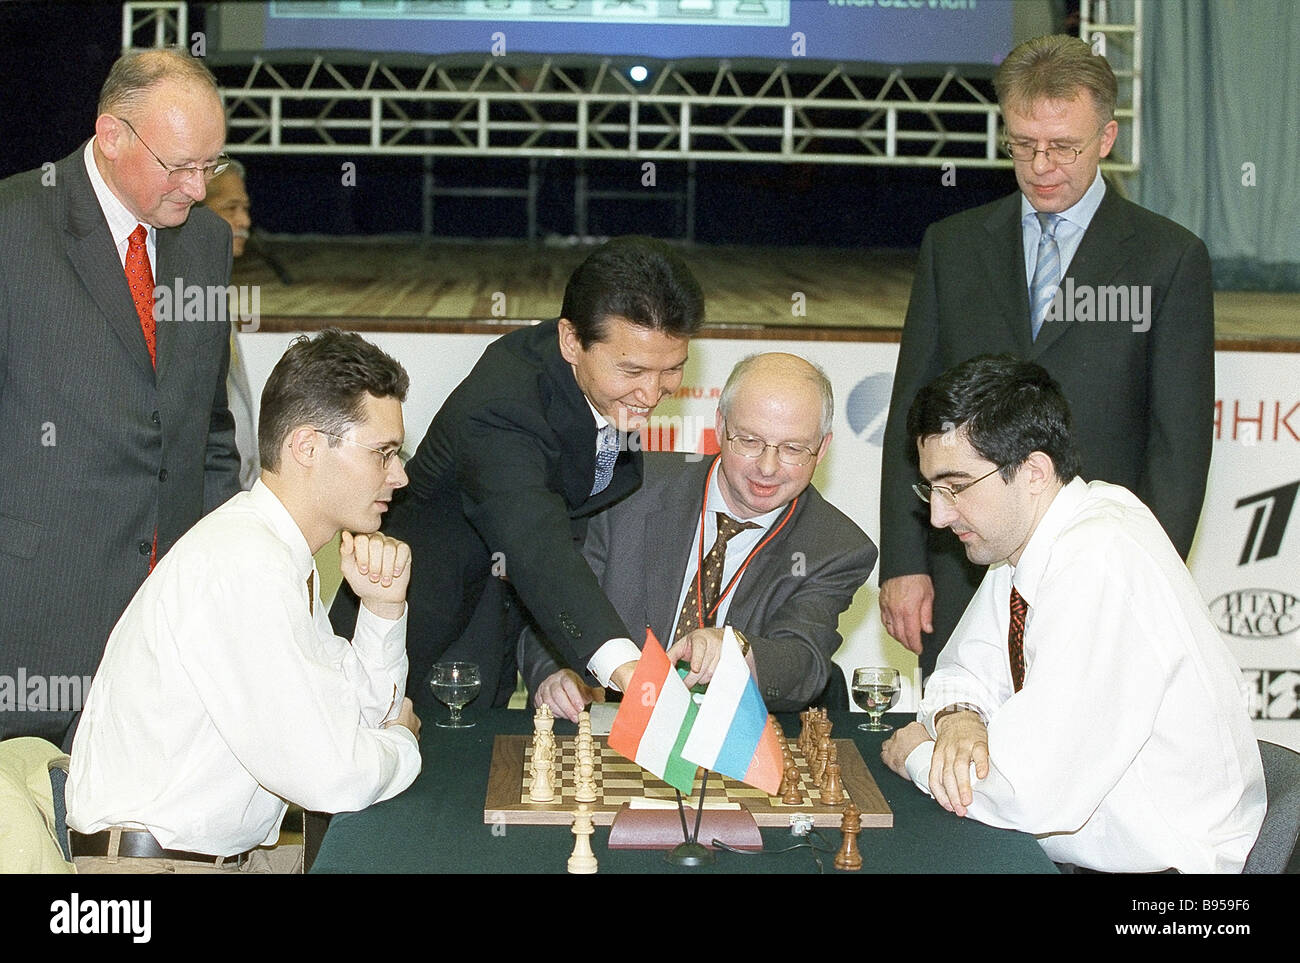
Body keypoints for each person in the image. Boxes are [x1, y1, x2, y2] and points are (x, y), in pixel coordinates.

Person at [878, 34, 1215, 679]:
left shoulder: (1168, 260)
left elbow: (1179, 447)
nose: (1041, 164)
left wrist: (1143, 583)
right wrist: (903, 559)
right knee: (958, 757)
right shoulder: (952, 246)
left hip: (1101, 578)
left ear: (1107, 140)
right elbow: (911, 415)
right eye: (1023, 145)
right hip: (960, 568)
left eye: (1064, 147)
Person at [880, 355, 1264, 874]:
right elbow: (959, 674)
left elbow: (1029, 792)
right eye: (932, 488)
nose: (939, 515)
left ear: (1034, 471)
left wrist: (919, 758)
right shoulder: (1028, 540)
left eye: (957, 487)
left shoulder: (1100, 558)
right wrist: (959, 719)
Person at [67, 330, 421, 873]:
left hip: (218, 859)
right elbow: (333, 775)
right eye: (383, 454)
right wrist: (403, 746)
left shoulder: (273, 555)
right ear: (306, 447)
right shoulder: (243, 563)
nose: (399, 476)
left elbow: (357, 716)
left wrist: (381, 610)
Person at [330, 236, 706, 707]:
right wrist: (623, 665)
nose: (651, 394)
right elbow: (535, 539)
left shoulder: (602, 379)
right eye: (632, 371)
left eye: (671, 369)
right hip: (413, 636)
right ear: (571, 341)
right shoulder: (502, 407)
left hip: (498, 622)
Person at [0, 49, 241, 746]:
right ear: (111, 136)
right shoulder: (14, 227)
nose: (199, 189)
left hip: (165, 634)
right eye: (181, 165)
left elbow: (209, 432)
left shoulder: (206, 244)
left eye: (212, 165)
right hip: (33, 626)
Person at [522, 353, 878, 720]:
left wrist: (738, 647)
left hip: (732, 744)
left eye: (792, 449)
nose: (768, 467)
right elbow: (553, 603)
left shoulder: (837, 547)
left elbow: (802, 663)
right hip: (608, 728)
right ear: (721, 426)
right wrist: (552, 672)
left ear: (822, 448)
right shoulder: (626, 488)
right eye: (750, 441)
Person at [202, 159, 260, 488]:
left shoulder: (214, 292)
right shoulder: (183, 301)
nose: (245, 221)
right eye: (230, 208)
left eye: (245, 208)